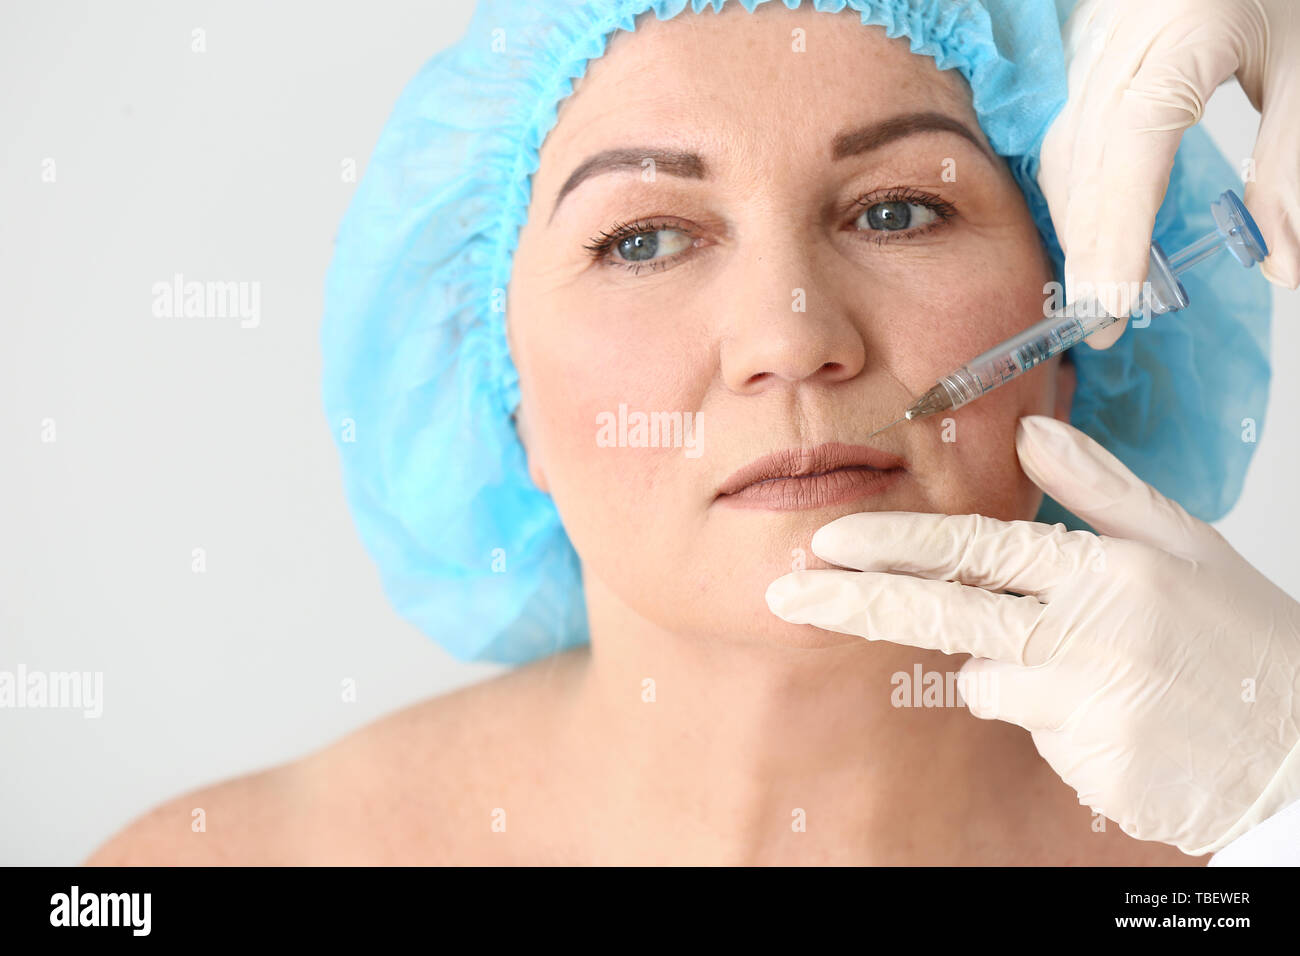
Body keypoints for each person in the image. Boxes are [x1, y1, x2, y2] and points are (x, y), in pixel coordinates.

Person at [84, 0, 1291, 865]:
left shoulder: (1249, 813)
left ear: (1083, 317)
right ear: (498, 388)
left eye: (900, 208)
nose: (791, 335)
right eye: (644, 238)